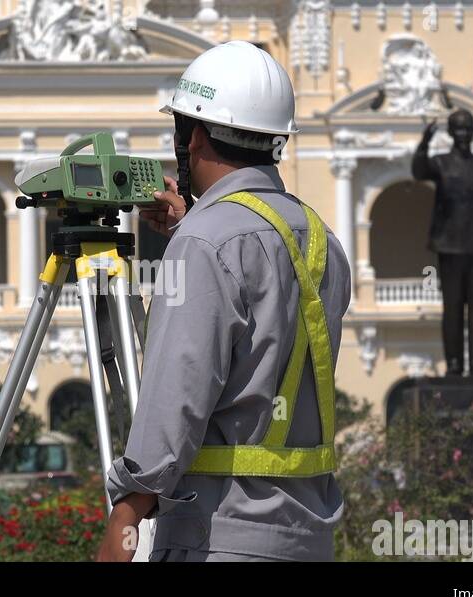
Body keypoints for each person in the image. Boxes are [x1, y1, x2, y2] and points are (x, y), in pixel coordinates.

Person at [96, 41, 351, 562]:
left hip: (220, 538)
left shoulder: (206, 243)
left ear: (192, 135)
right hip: (308, 540)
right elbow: (265, 329)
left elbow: (176, 396)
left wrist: (124, 520)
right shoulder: (320, 239)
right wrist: (195, 227)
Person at [412, 109, 473, 377]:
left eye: (468, 129)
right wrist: (424, 143)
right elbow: (418, 171)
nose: (464, 134)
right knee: (453, 308)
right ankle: (454, 365)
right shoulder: (441, 163)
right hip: (449, 245)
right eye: (459, 129)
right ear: (452, 133)